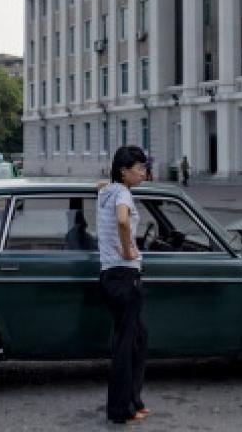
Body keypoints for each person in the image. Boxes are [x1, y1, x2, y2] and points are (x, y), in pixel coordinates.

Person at [97, 145, 150, 424]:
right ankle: (120, 411)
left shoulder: (107, 191)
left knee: (138, 339)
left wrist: (107, 184)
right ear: (124, 170)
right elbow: (122, 220)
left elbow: (103, 187)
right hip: (125, 276)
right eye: (139, 168)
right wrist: (129, 248)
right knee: (125, 346)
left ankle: (133, 401)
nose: (143, 172)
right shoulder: (122, 193)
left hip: (110, 277)